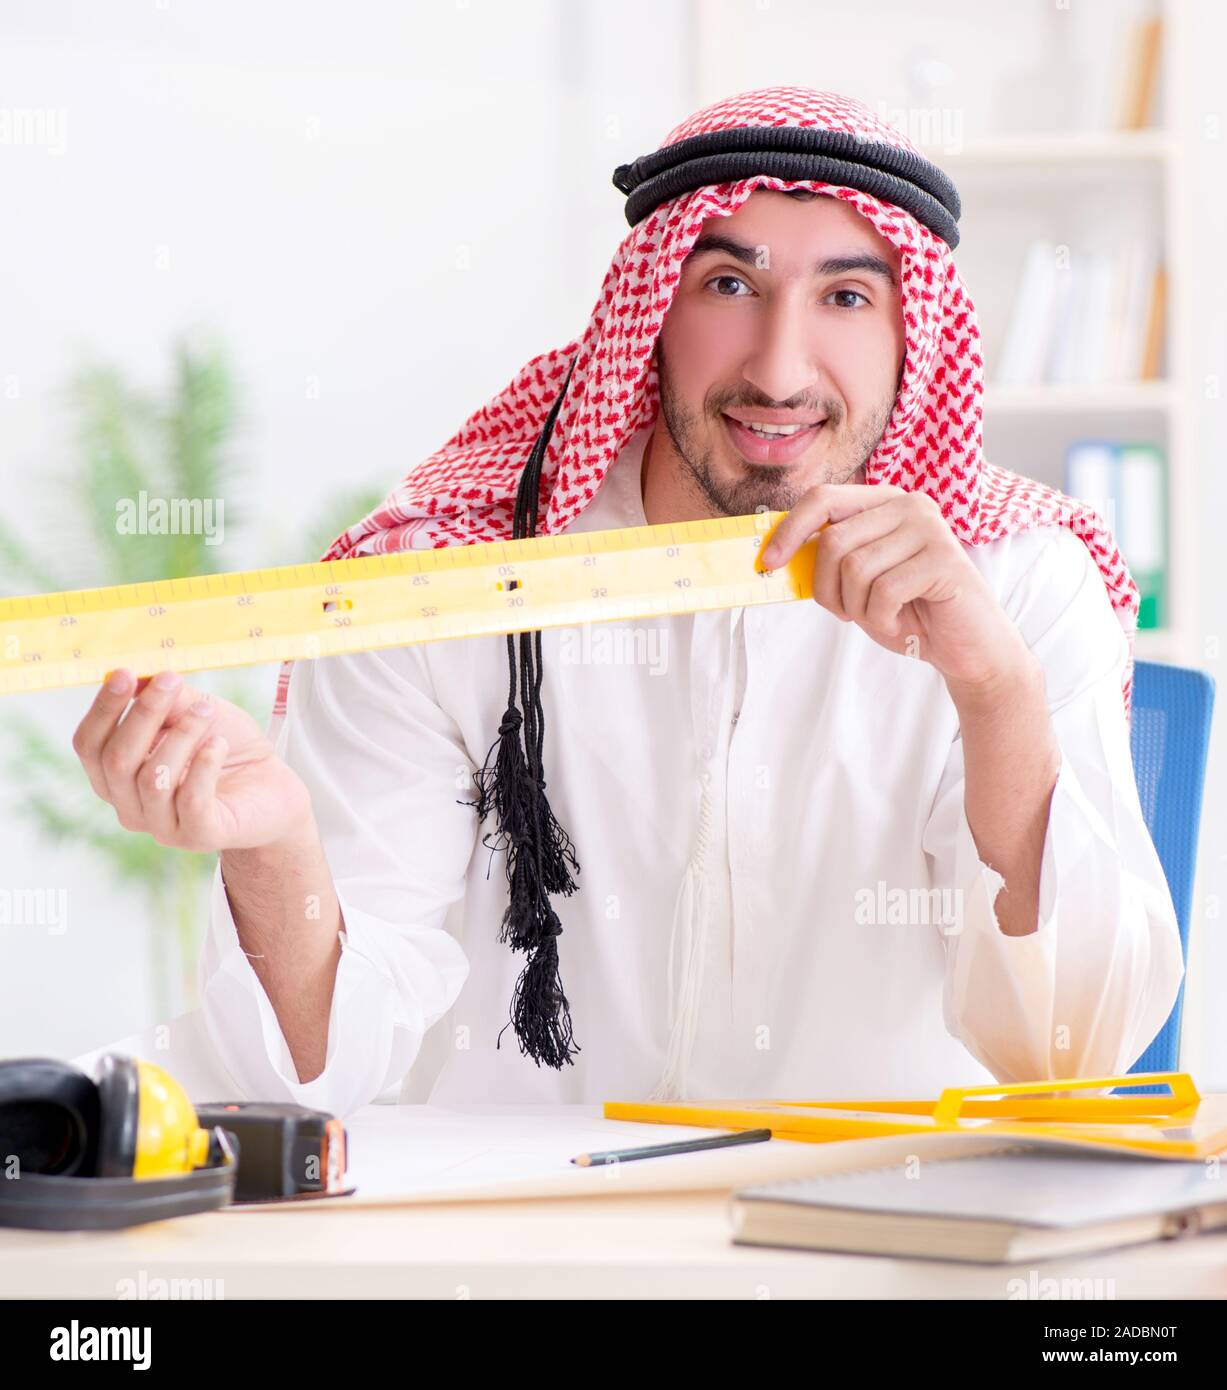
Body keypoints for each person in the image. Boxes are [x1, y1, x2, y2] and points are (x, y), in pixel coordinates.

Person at [70, 88, 1182, 1116]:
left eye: (846, 296)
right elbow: (316, 1072)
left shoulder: (1022, 584)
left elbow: (1069, 1053)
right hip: (533, 1252)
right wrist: (274, 846)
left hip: (891, 1243)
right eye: (730, 285)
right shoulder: (442, 582)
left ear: (912, 334)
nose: (781, 369)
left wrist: (994, 693)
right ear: (651, 308)